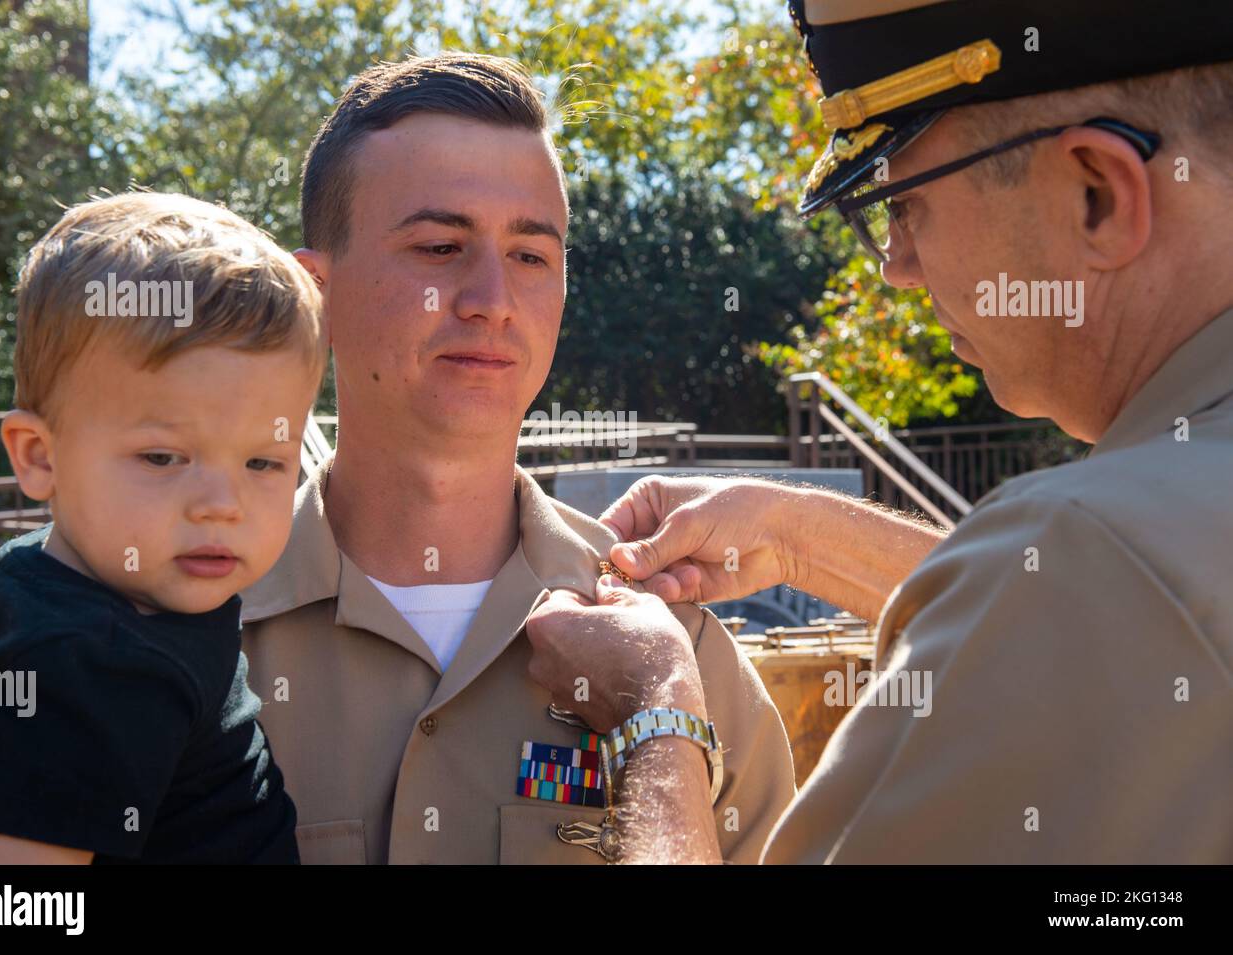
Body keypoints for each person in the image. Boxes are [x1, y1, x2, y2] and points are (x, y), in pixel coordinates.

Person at [526, 0, 1233, 863]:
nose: (895, 265)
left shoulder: (1088, 556)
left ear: (1096, 194)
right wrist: (797, 538)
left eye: (904, 203)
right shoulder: (1127, 548)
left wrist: (657, 711)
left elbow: (1106, 596)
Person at [228, 52, 795, 864]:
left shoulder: (673, 653)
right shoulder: (190, 625)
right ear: (316, 293)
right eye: (438, 247)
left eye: (530, 256)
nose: (491, 301)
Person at [0, 192, 327, 863]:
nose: (221, 503)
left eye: (264, 460)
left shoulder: (55, 570)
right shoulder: (87, 668)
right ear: (40, 455)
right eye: (162, 457)